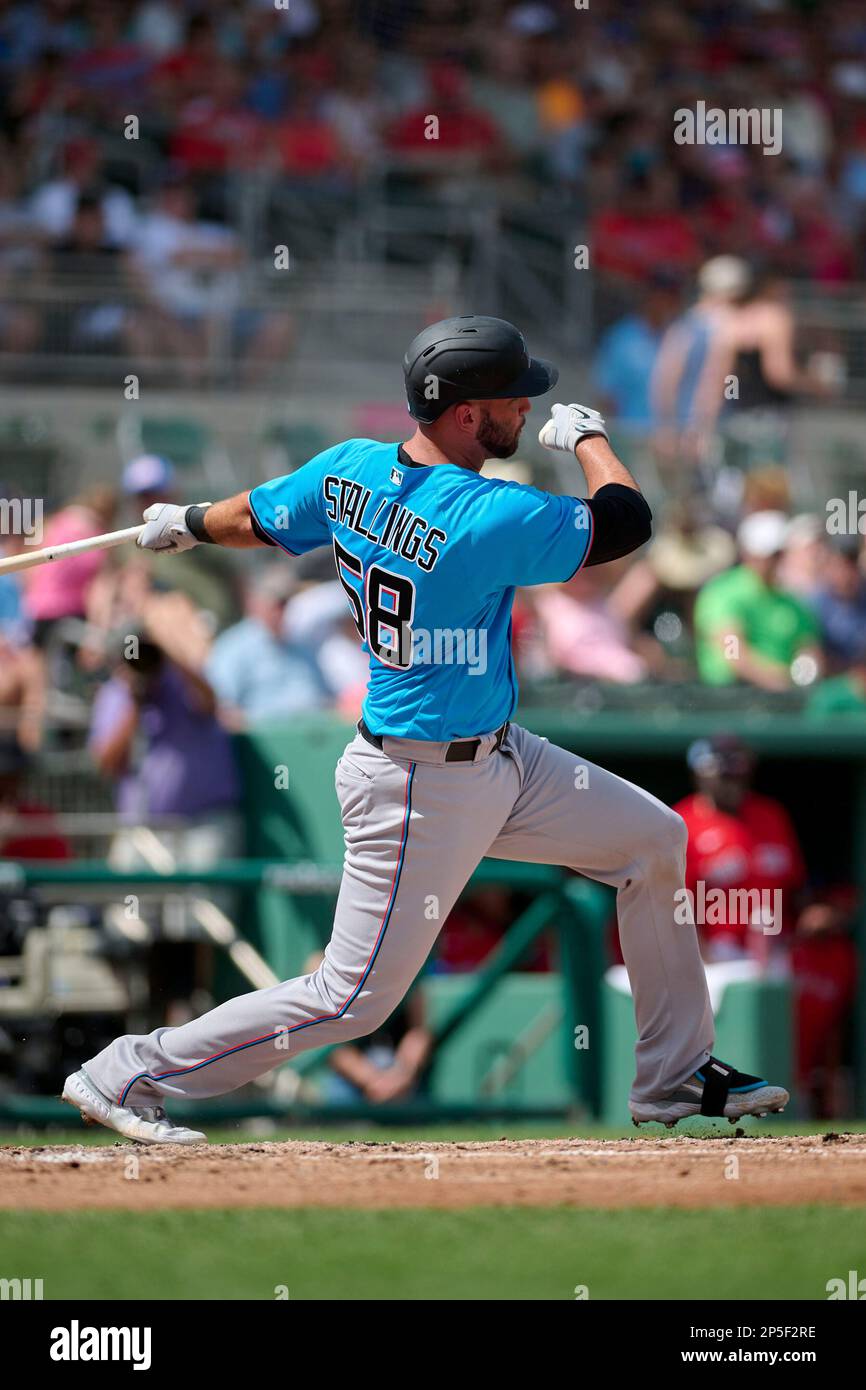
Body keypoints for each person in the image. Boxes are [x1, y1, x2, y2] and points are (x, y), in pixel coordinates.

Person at [63, 314, 788, 1144]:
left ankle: (674, 1075)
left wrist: (188, 521)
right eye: (516, 399)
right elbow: (626, 521)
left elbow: (258, 517)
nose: (528, 408)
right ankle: (128, 1072)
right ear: (468, 414)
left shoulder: (351, 470)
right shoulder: (485, 512)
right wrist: (589, 439)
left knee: (653, 840)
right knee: (350, 997)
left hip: (499, 757)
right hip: (418, 784)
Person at [674, 735, 806, 965]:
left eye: (739, 776)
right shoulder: (681, 823)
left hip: (775, 947)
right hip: (717, 953)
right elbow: (674, 903)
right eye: (725, 776)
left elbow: (796, 885)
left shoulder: (770, 816)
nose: (733, 784)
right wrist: (700, 958)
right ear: (701, 775)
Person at [694, 510, 822, 690]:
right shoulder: (723, 593)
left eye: (779, 553)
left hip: (782, 703)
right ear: (748, 554)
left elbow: (808, 651)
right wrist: (779, 682)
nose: (774, 561)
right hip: (731, 698)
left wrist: (802, 677)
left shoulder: (794, 602)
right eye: (771, 554)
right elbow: (733, 653)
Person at [206, 568, 331, 726]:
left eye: (288, 603)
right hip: (262, 744)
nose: (284, 610)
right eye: (279, 603)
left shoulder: (304, 645)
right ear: (255, 603)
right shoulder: (233, 648)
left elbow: (327, 699)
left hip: (313, 738)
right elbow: (220, 709)